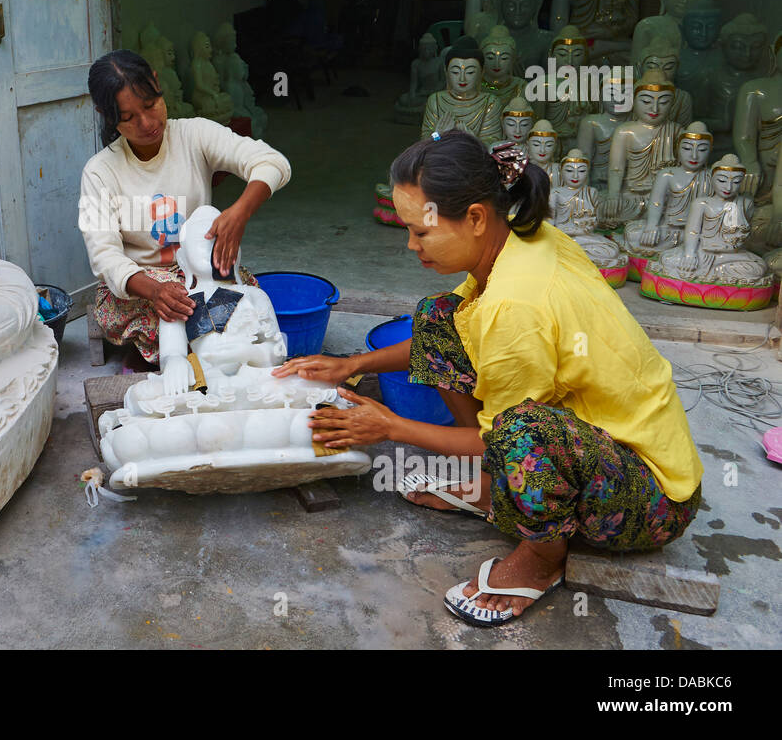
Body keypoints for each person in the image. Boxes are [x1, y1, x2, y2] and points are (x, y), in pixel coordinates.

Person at [273, 131, 702, 627]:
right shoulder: (520, 240)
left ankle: (542, 558)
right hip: (595, 442)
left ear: (475, 217)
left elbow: (501, 435)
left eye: (422, 231)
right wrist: (351, 364)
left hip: (648, 498)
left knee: (521, 433)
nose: (411, 245)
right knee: (440, 316)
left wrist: (390, 427)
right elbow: (457, 329)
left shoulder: (516, 306)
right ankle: (505, 487)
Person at [80, 50, 291, 368]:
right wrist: (155, 291)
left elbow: (273, 162)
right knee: (187, 319)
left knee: (247, 303)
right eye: (129, 117)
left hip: (197, 272)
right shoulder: (99, 172)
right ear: (106, 114)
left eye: (151, 105)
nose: (147, 123)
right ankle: (181, 362)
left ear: (156, 82)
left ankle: (211, 357)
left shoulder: (195, 135)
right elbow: (105, 257)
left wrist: (240, 211)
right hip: (142, 284)